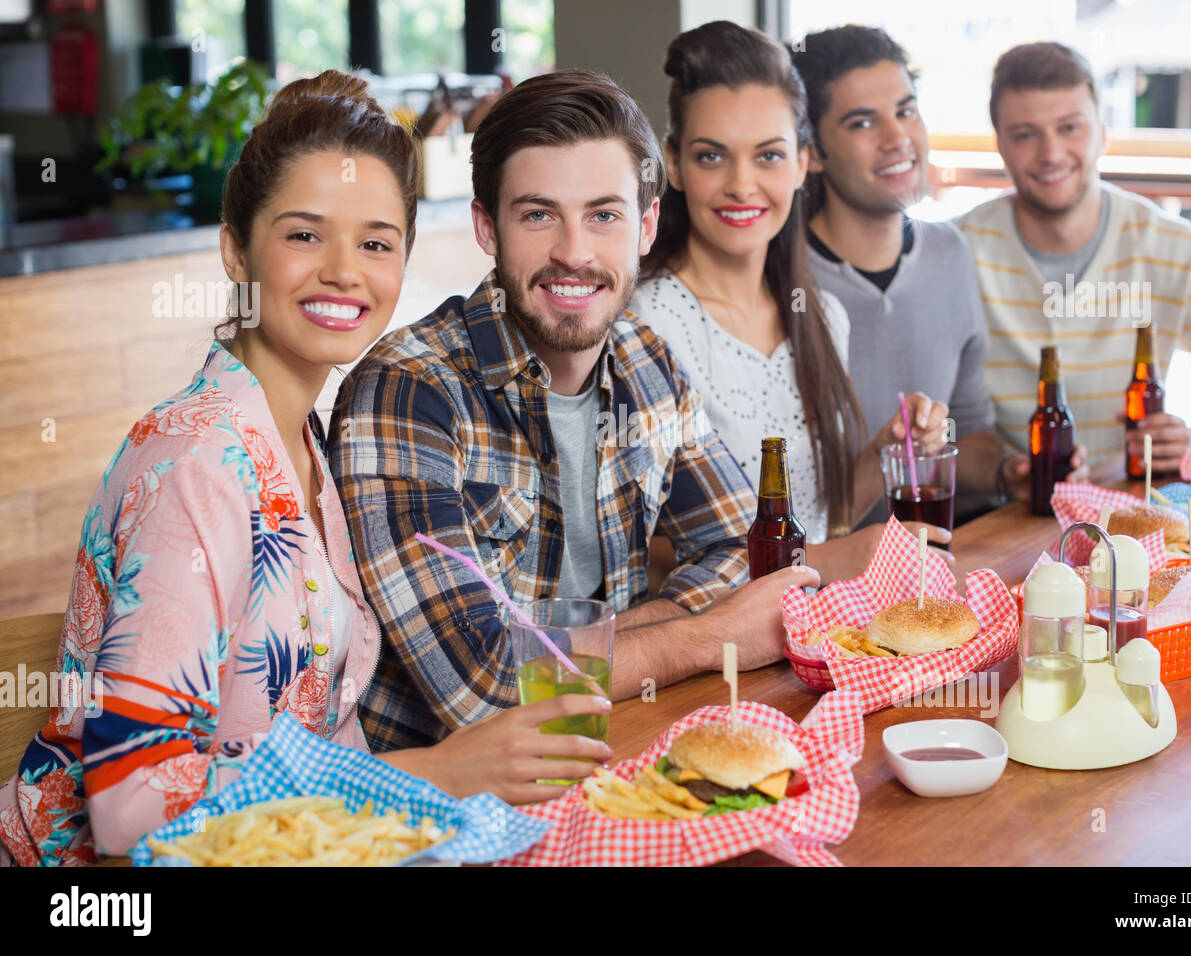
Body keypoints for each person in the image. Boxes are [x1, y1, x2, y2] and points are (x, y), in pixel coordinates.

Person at [0, 72, 610, 867]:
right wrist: (434, 773)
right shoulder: (199, 467)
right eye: (303, 235)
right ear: (234, 247)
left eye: (376, 243)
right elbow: (125, 806)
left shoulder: (306, 442)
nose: (344, 271)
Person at [330, 69, 819, 752]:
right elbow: (482, 687)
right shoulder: (407, 392)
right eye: (537, 215)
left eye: (603, 215)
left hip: (613, 738)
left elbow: (738, 546)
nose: (573, 253)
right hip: (444, 816)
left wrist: (616, 644)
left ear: (645, 226)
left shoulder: (648, 361)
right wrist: (707, 637)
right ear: (487, 227)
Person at [630, 20, 951, 584]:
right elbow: (635, 553)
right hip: (717, 654)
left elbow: (825, 518)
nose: (742, 185)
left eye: (769, 156)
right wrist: (823, 563)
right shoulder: (643, 324)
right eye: (712, 157)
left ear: (803, 162)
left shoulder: (823, 315)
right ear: (674, 163)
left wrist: (888, 450)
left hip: (818, 632)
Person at [959, 42, 1191, 481]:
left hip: (1132, 511)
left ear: (1102, 132)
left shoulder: (1173, 249)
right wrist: (1004, 474)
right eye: (1025, 134)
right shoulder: (957, 253)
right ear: (999, 145)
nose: (1051, 153)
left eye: (1069, 128)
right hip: (1003, 516)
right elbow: (928, 425)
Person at [788, 25, 1086, 516]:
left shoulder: (951, 253)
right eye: (863, 123)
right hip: (820, 576)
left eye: (906, 111)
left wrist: (1006, 470)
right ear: (813, 152)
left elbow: (966, 429)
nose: (898, 138)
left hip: (934, 565)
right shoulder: (782, 277)